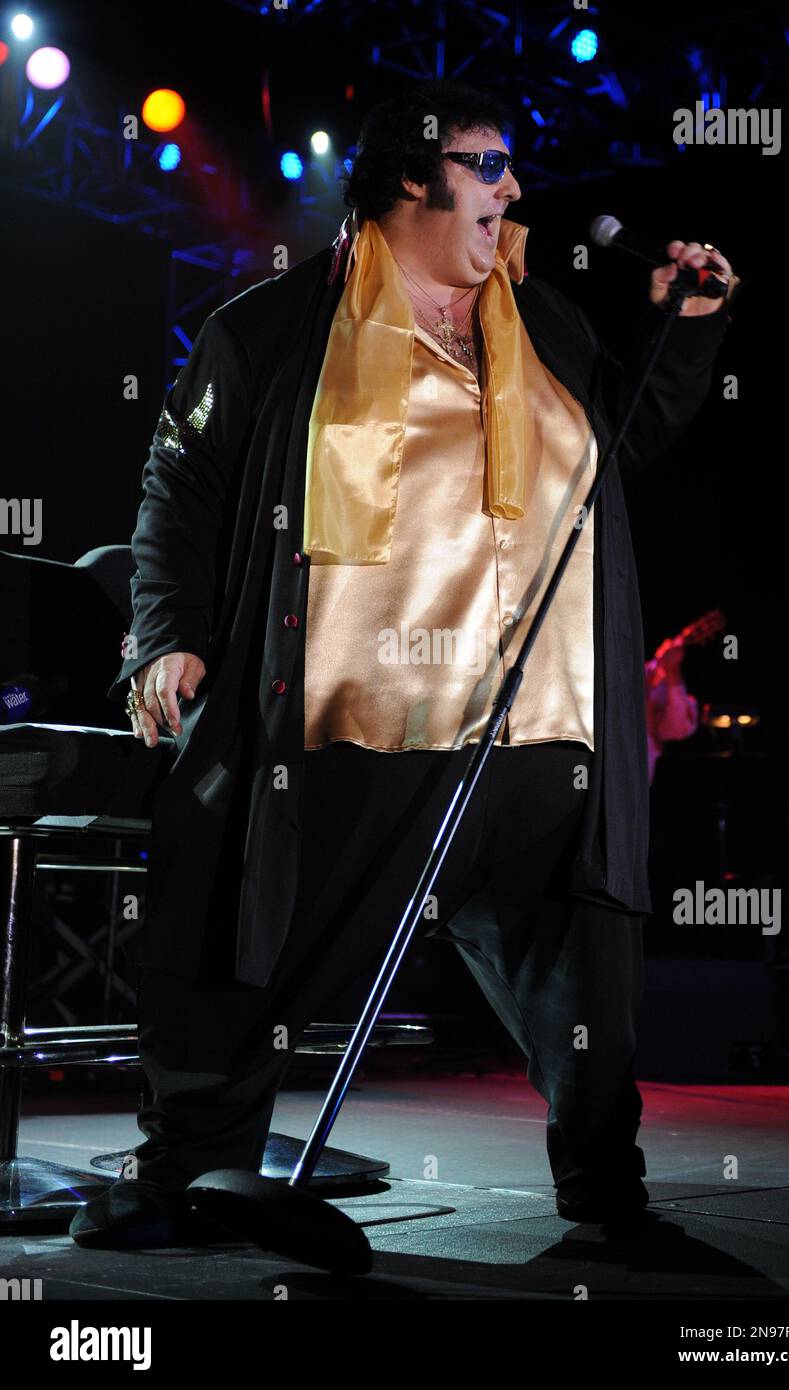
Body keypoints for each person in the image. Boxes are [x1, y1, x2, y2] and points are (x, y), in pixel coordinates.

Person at [71, 78, 739, 1249]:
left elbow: (613, 453)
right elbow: (181, 480)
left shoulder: (546, 328)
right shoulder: (275, 328)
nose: (511, 187)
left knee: (581, 972)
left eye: (509, 165)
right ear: (409, 177)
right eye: (487, 163)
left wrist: (681, 331)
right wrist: (166, 632)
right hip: (350, 718)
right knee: (248, 948)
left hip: (537, 719)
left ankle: (605, 1197)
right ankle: (188, 1175)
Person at [645, 638, 701, 784]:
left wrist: (672, 672)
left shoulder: (666, 693)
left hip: (639, 759)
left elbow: (679, 727)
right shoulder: (643, 672)